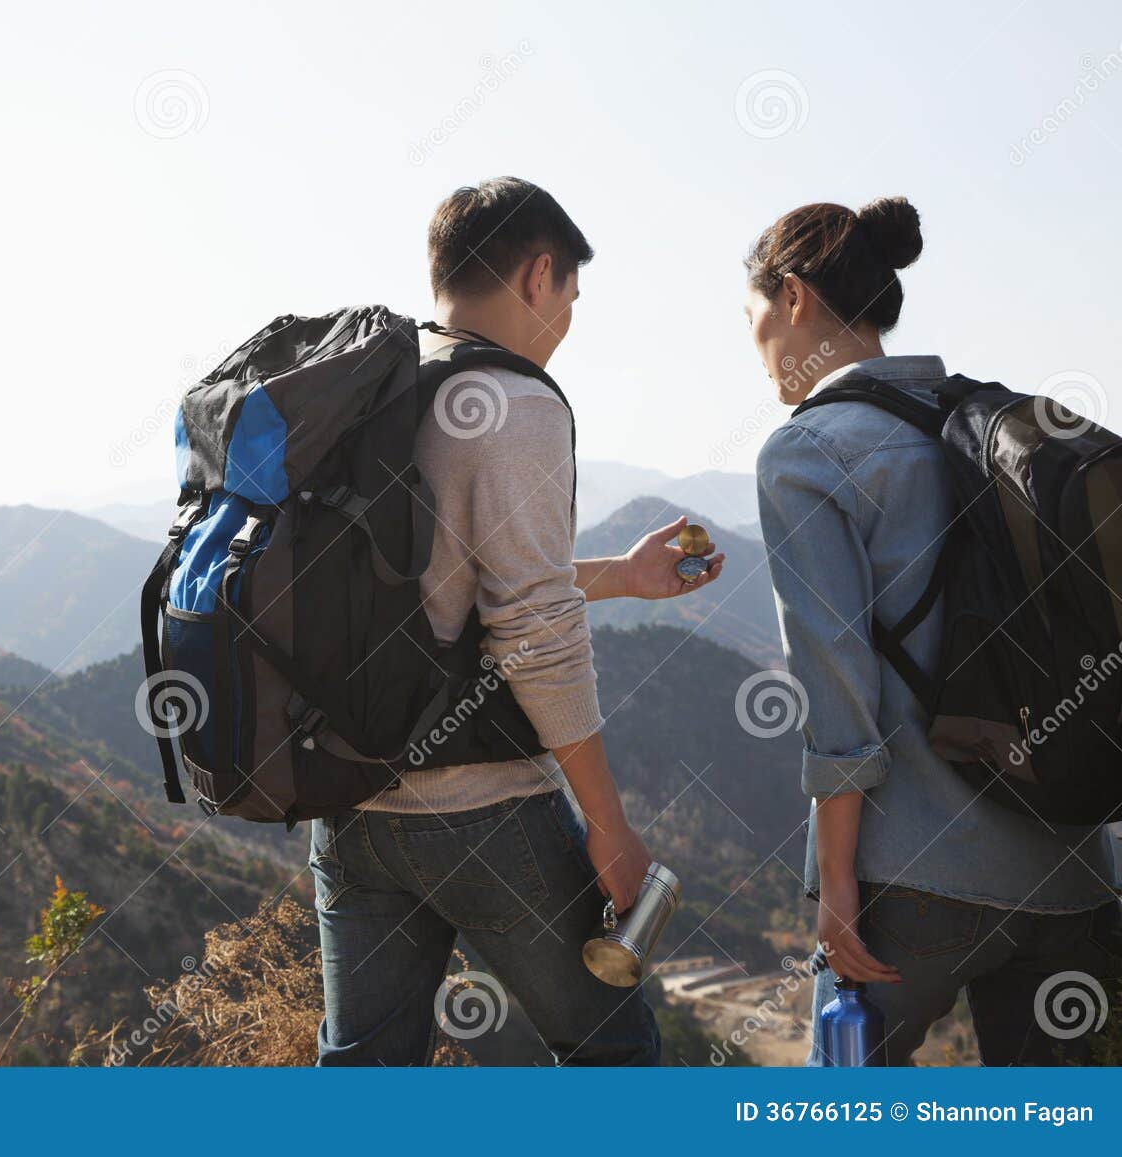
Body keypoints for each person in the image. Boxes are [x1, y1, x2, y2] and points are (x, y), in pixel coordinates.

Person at [311, 177, 725, 1065]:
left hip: (348, 803)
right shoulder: (518, 403)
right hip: (483, 808)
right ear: (540, 274)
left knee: (362, 1072)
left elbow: (440, 586)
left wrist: (620, 575)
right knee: (612, 1054)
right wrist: (608, 824)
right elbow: (533, 630)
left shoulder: (371, 390)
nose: (567, 321)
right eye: (571, 296)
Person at [746, 195, 1122, 1064]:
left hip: (914, 880)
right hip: (1073, 866)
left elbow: (836, 689)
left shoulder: (807, 452)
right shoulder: (1001, 427)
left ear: (794, 298)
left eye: (754, 314)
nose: (758, 346)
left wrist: (836, 882)